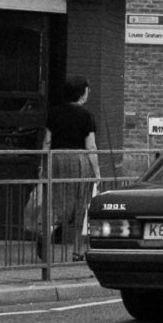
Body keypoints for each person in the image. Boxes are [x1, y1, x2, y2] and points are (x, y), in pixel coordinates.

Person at [40, 76, 100, 260]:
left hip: (56, 159)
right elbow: (90, 146)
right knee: (82, 203)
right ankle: (77, 251)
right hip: (79, 161)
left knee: (56, 200)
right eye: (87, 90)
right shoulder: (86, 116)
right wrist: (97, 172)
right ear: (82, 93)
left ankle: (47, 231)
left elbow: (47, 141)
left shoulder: (53, 113)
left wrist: (43, 165)